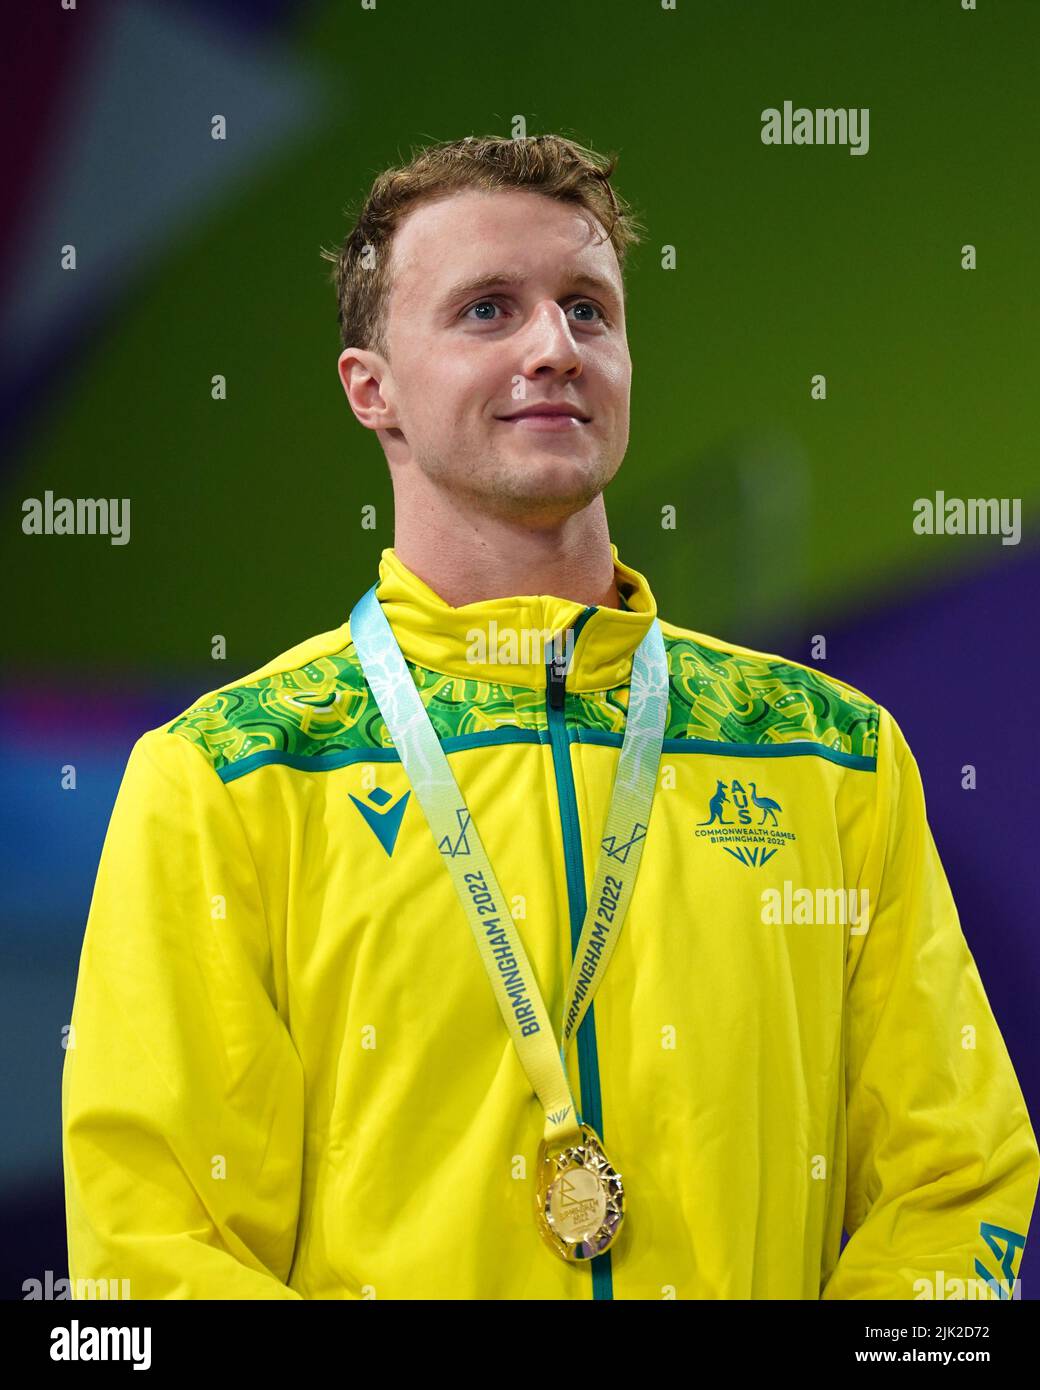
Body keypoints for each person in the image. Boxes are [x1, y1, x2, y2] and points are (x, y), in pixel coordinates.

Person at [62, 133, 1038, 1301]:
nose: (553, 348)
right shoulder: (229, 774)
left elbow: (957, 1180)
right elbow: (155, 1248)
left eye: (587, 309)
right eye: (486, 310)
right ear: (369, 387)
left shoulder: (825, 753)